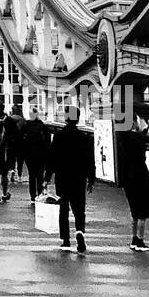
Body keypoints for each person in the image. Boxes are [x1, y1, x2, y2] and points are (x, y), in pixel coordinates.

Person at [45, 105, 94, 252]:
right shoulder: (84, 138)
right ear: (78, 118)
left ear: (66, 118)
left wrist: (46, 178)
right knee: (79, 209)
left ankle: (65, 240)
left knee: (63, 208)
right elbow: (89, 160)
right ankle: (79, 232)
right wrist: (91, 179)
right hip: (79, 178)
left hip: (62, 177)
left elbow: (52, 158)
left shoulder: (59, 136)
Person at [120, 114, 149, 251]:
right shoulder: (139, 137)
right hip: (140, 174)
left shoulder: (122, 137)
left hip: (127, 176)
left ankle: (133, 239)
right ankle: (140, 241)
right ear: (133, 123)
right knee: (143, 210)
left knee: (134, 211)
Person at [21, 113, 50, 202]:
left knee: (32, 175)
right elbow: (48, 142)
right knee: (40, 175)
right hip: (41, 154)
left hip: (29, 155)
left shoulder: (25, 126)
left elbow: (21, 140)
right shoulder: (42, 126)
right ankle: (40, 193)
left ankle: (32, 195)